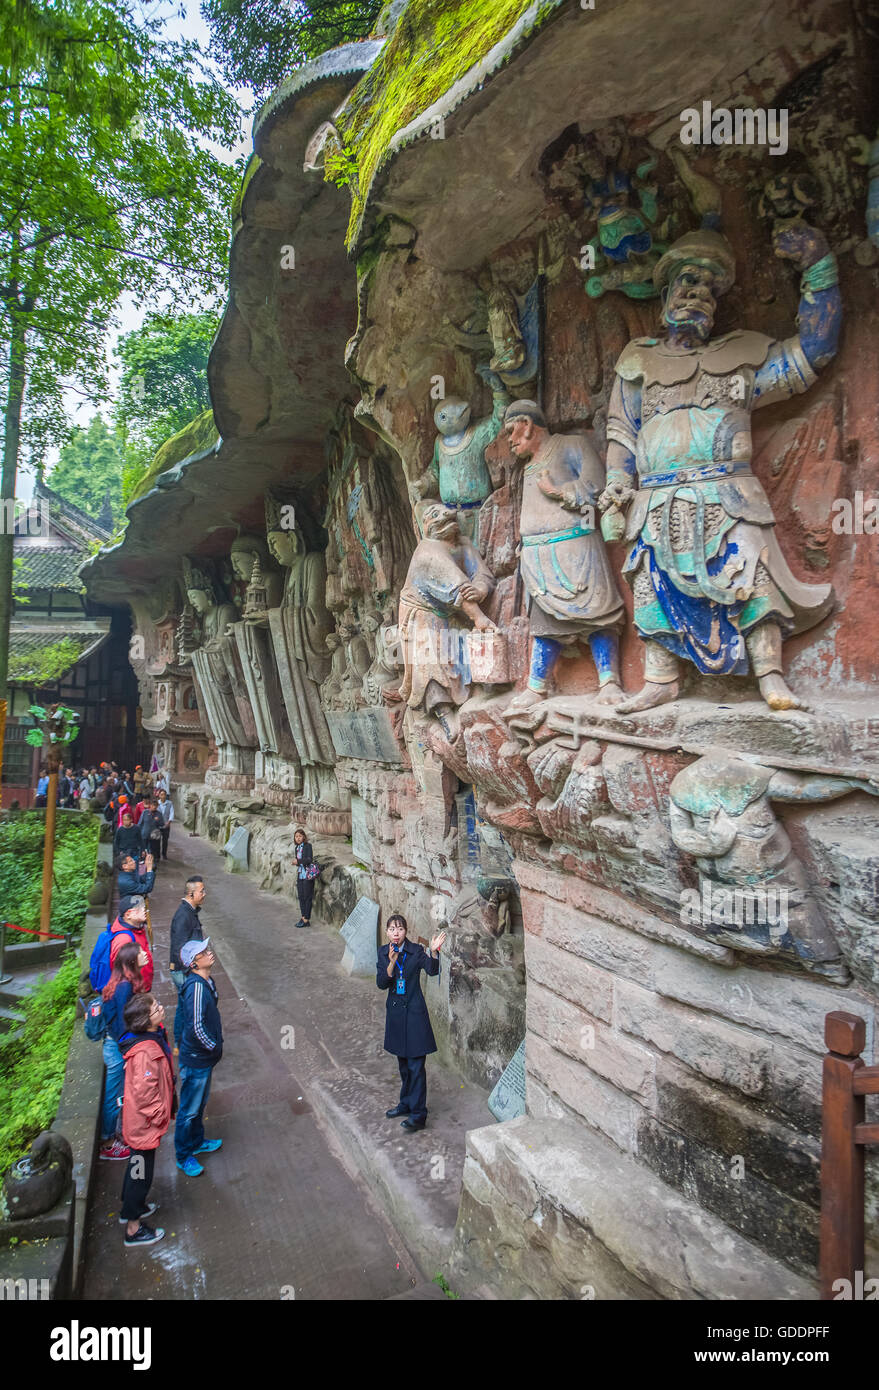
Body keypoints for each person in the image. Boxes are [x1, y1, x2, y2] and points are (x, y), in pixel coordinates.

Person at [376, 913, 446, 1132]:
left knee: (416, 1067)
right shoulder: (383, 952)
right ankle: (405, 1104)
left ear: (406, 931)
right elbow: (382, 982)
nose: (396, 933)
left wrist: (434, 952)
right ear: (387, 932)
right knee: (404, 1066)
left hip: (415, 1015)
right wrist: (392, 962)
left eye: (400, 929)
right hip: (397, 1016)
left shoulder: (416, 951)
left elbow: (433, 971)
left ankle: (418, 1115)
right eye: (392, 929)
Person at [118, 992, 175, 1247]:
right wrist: (161, 1113)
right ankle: (133, 1228)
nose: (161, 1009)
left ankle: (133, 1207)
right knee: (140, 1173)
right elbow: (145, 1093)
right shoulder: (144, 1053)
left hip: (141, 1124)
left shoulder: (149, 1039)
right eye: (156, 1008)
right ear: (144, 1020)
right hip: (144, 1126)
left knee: (137, 1168)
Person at [175, 938, 223, 1177]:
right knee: (189, 1109)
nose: (209, 953)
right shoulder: (195, 988)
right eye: (204, 952)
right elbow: (195, 1027)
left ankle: (196, 1141)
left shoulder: (206, 981)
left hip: (203, 1059)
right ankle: (184, 1155)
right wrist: (213, 1047)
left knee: (199, 1104)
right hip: (197, 1058)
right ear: (195, 963)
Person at [98, 942, 149, 1161]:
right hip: (117, 1048)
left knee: (117, 1093)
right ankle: (108, 1142)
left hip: (114, 1044)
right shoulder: (125, 987)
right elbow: (121, 1024)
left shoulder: (120, 981)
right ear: (132, 961)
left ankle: (115, 1134)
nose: (145, 954)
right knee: (114, 1094)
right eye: (140, 953)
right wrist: (129, 1052)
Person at [169, 876, 206, 1048]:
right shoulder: (183, 916)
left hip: (185, 969)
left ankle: (180, 1041)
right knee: (188, 1007)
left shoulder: (190, 911)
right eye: (202, 891)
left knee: (184, 1005)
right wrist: (192, 968)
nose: (204, 894)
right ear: (191, 894)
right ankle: (183, 1042)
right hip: (183, 971)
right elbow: (179, 948)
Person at [110, 894, 154, 990]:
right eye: (139, 908)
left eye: (144, 907)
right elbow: (121, 973)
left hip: (142, 984)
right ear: (128, 914)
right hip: (137, 990)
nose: (144, 910)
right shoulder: (124, 940)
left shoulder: (136, 928)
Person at [293, 827, 316, 928]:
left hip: (308, 875)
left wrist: (298, 861)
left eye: (300, 836)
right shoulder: (296, 848)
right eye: (296, 836)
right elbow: (300, 862)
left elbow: (309, 859)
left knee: (307, 897)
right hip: (300, 875)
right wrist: (297, 863)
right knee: (301, 896)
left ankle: (306, 919)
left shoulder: (308, 846)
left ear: (304, 837)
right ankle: (303, 917)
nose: (298, 838)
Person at [156, 788, 174, 860]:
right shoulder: (157, 803)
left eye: (164, 795)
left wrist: (169, 822)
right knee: (157, 840)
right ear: (159, 796)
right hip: (158, 825)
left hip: (166, 824)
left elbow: (172, 813)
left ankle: (164, 854)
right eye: (161, 795)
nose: (163, 796)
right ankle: (157, 855)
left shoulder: (169, 803)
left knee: (165, 840)